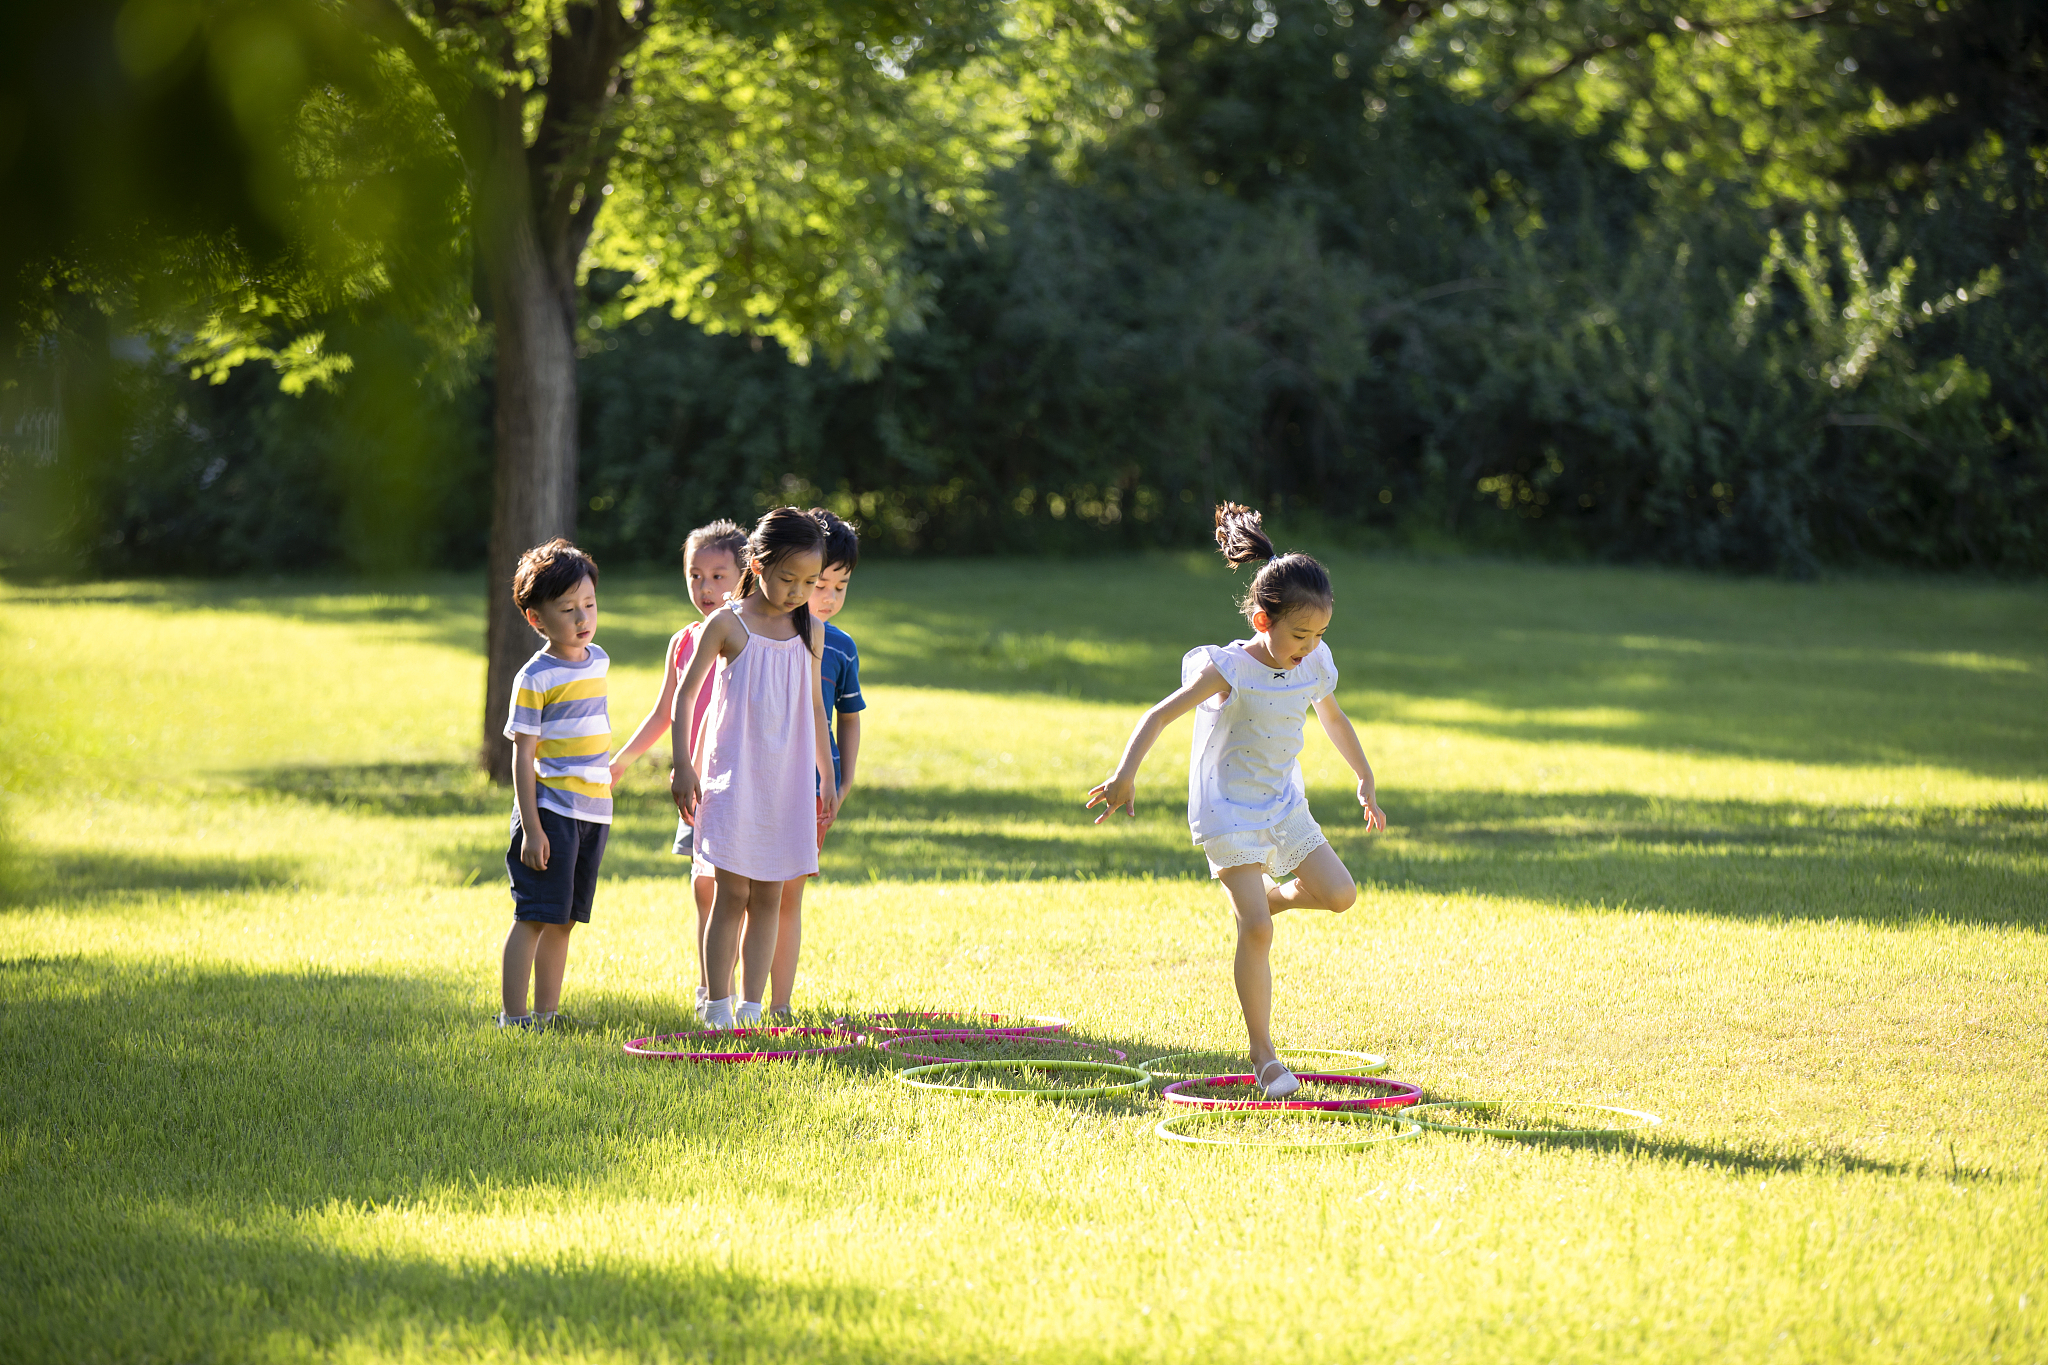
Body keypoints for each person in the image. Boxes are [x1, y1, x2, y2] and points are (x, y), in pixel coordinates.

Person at [1085, 503, 1387, 1098]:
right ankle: (1265, 1058)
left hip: (1281, 802)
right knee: (1255, 931)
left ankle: (1260, 903)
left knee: (1340, 894)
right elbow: (1158, 714)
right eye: (1299, 634)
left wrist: (1365, 777)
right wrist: (1125, 776)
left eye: (1319, 634)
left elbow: (1333, 716)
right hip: (1226, 808)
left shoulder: (1313, 662)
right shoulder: (1229, 670)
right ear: (1262, 619)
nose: (1310, 646)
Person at [670, 507, 839, 1029]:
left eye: (809, 582)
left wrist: (827, 774)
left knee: (769, 895)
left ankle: (751, 1009)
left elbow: (814, 706)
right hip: (734, 782)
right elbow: (684, 697)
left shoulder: (808, 629)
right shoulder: (727, 624)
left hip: (785, 787)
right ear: (759, 564)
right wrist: (682, 765)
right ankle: (717, 1007)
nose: (797, 591)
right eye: (788, 579)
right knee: (731, 894)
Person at [609, 518, 748, 1021]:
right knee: (704, 889)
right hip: (697, 786)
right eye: (695, 576)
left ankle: (745, 994)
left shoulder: (753, 632)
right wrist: (622, 761)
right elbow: (667, 708)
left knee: (745, 891)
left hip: (742, 779)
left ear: (745, 573)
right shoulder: (684, 641)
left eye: (718, 576)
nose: (706, 588)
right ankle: (711, 987)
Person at [499, 538, 612, 1031]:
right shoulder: (535, 676)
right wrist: (533, 828)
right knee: (535, 915)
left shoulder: (599, 660)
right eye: (567, 609)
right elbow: (523, 757)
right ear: (537, 618)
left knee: (564, 919)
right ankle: (514, 1016)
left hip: (593, 811)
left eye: (588, 604)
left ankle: (547, 1014)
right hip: (550, 811)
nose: (581, 618)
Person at [758, 507, 865, 1018]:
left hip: (811, 787)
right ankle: (732, 999)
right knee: (749, 894)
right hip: (760, 778)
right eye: (818, 583)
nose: (825, 598)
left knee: (787, 897)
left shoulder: (841, 648)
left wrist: (842, 782)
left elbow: (849, 717)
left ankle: (779, 1006)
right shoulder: (764, 632)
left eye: (839, 587)